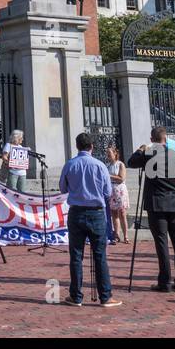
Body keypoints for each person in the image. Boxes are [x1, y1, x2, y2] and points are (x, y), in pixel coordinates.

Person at [59, 132, 122, 307]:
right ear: (92, 146)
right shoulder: (100, 166)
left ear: (77, 146)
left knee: (76, 255)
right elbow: (108, 192)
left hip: (76, 212)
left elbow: (63, 188)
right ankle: (105, 296)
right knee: (100, 255)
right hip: (96, 213)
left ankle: (76, 295)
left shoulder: (70, 164)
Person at [128, 128, 175, 292]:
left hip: (157, 203)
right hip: (173, 202)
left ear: (152, 139)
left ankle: (165, 282)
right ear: (165, 139)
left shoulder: (149, 154)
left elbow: (131, 162)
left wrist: (140, 149)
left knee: (162, 243)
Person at [105, 144, 131, 244]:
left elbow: (121, 178)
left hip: (120, 191)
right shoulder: (107, 166)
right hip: (111, 191)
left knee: (122, 213)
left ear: (115, 153)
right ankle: (116, 235)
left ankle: (126, 236)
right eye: (107, 153)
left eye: (109, 153)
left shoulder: (120, 164)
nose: (107, 155)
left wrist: (109, 176)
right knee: (114, 214)